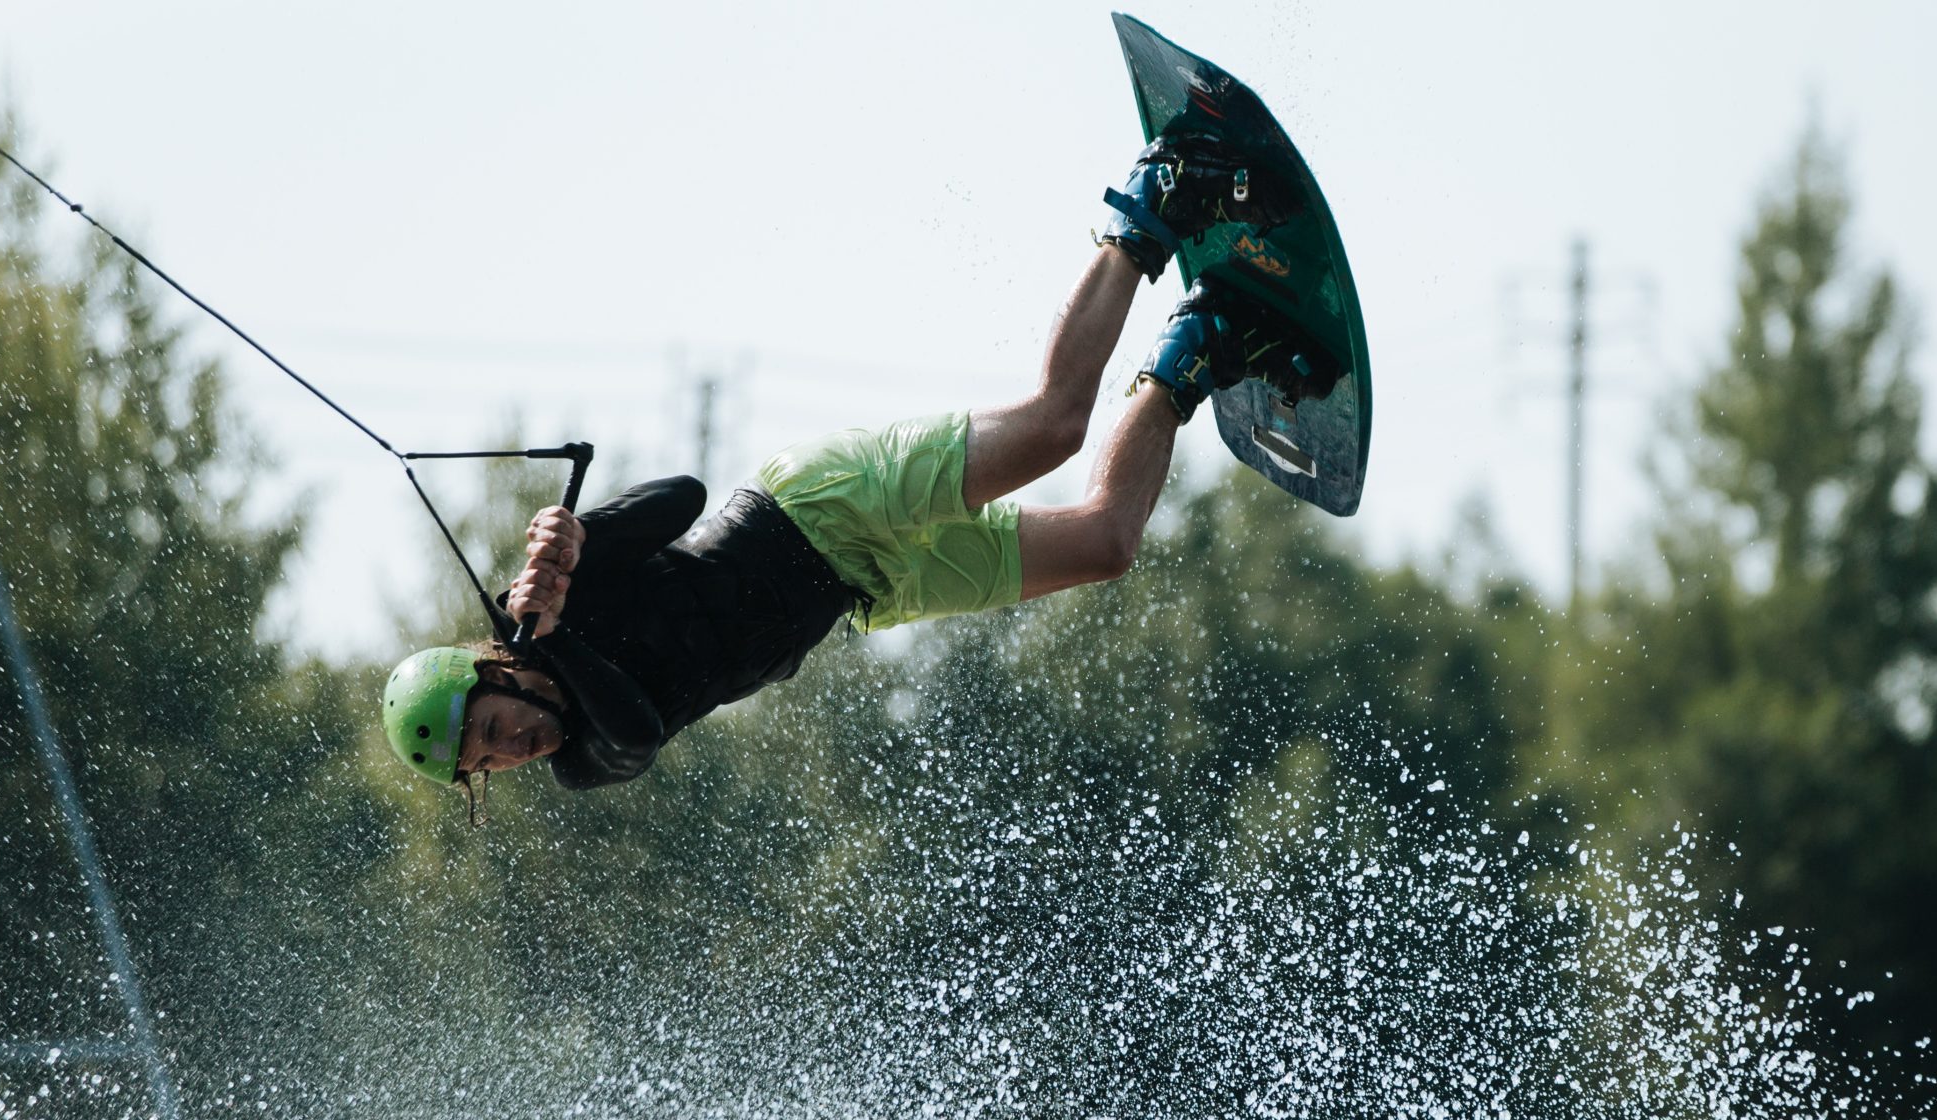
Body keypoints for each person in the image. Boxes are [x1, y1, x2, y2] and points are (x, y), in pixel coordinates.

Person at [380, 144, 1305, 797]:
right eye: (492, 764)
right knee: (1106, 542)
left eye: (495, 729)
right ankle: (1199, 350)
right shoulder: (586, 751)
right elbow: (634, 728)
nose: (517, 749)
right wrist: (560, 634)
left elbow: (687, 499)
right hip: (869, 585)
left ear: (487, 672)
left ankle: (1156, 202)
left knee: (1054, 429)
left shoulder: (552, 597)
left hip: (812, 507)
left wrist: (585, 538)